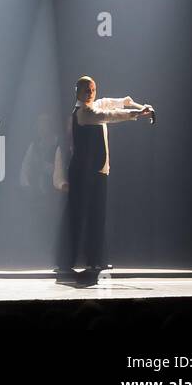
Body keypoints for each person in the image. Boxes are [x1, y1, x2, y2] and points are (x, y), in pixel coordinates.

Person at [55, 75, 153, 276]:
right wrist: (137, 112)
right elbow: (110, 115)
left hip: (98, 172)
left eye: (93, 89)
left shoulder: (94, 104)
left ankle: (95, 260)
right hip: (83, 172)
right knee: (76, 216)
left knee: (97, 217)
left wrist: (125, 101)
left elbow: (107, 102)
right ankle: (66, 261)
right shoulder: (85, 111)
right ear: (78, 92)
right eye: (87, 90)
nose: (91, 94)